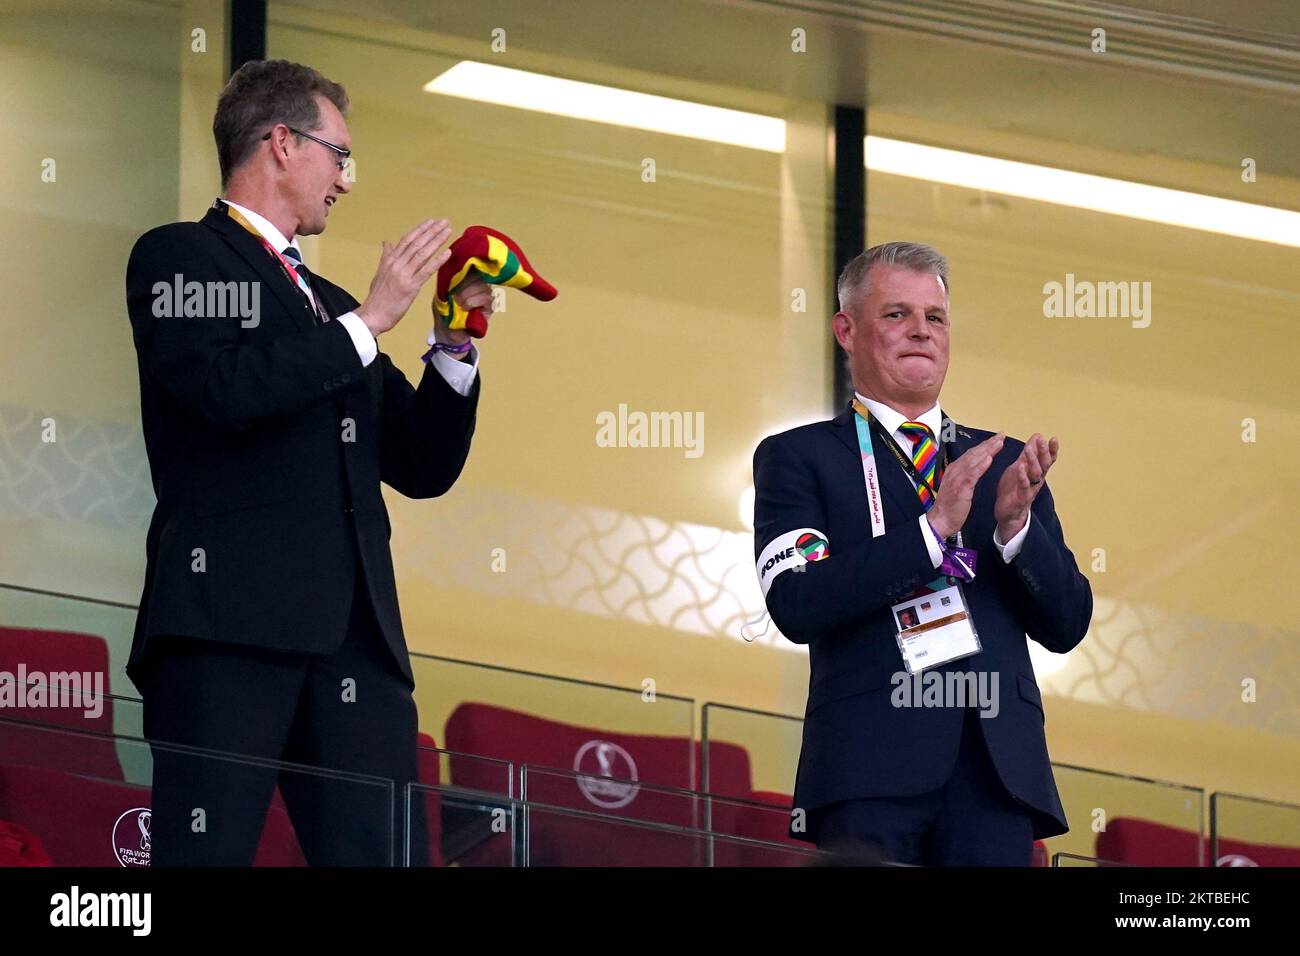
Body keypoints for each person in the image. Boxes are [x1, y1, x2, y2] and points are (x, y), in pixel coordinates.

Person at [124, 59, 494, 865]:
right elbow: (223, 390)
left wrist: (455, 343)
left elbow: (422, 464)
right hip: (228, 631)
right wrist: (369, 321)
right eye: (340, 155)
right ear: (282, 143)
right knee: (206, 855)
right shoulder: (181, 258)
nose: (347, 183)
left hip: (356, 645)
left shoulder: (328, 308)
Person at [752, 241, 1092, 865]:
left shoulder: (1005, 464)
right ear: (846, 330)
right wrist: (930, 531)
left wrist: (1016, 527)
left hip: (997, 771)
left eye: (934, 317)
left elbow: (1068, 625)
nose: (920, 331)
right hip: (867, 765)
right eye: (896, 314)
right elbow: (797, 602)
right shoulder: (799, 456)